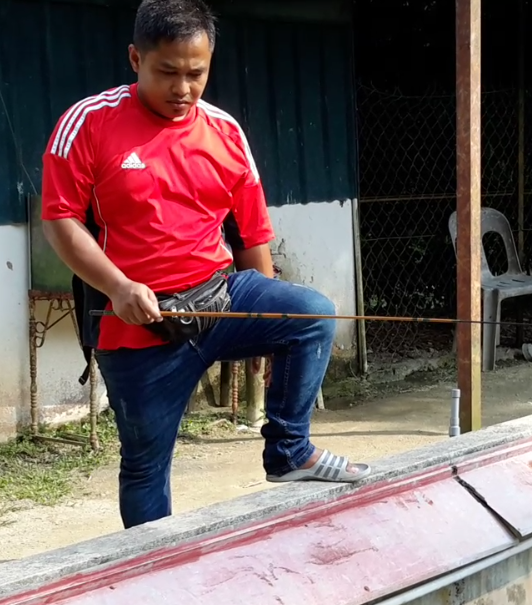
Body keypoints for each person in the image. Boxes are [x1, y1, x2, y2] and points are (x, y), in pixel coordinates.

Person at [40, 0, 369, 530]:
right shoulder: (88, 123)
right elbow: (59, 220)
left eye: (197, 73)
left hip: (220, 298)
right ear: (135, 59)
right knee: (146, 466)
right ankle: (153, 571)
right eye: (167, 72)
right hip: (136, 325)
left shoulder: (225, 131)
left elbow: (253, 231)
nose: (183, 89)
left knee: (311, 314)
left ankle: (288, 452)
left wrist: (265, 326)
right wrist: (118, 286)